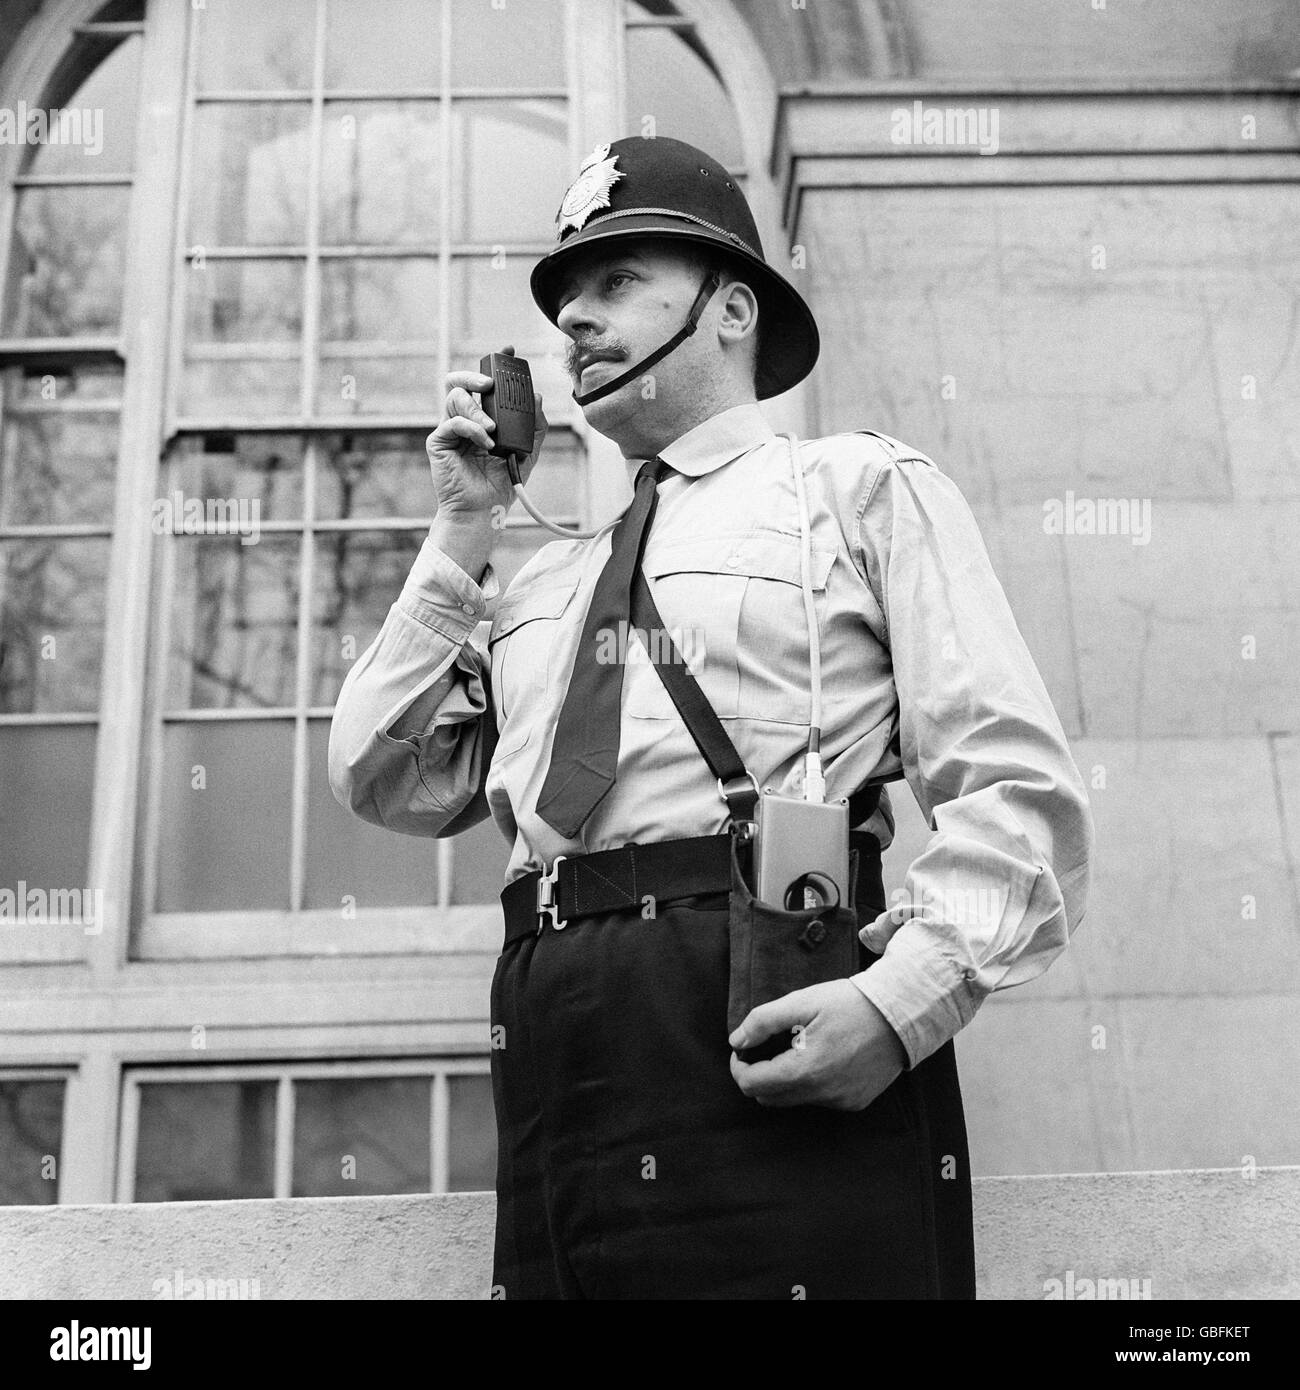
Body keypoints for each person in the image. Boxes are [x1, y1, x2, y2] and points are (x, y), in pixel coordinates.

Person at [329, 135, 1093, 1300]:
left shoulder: (857, 490)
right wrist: (464, 528)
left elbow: (1015, 790)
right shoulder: (538, 581)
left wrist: (902, 1002)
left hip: (765, 1000)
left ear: (731, 309)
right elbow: (382, 777)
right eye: (566, 296)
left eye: (617, 282)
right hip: (557, 1048)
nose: (575, 319)